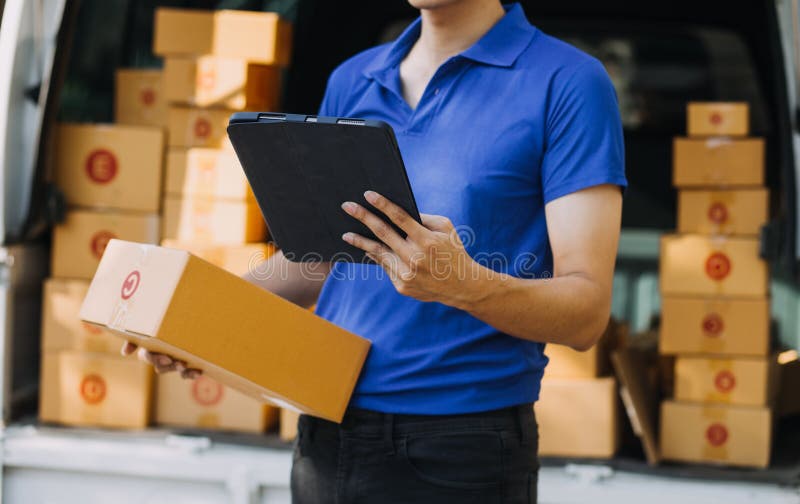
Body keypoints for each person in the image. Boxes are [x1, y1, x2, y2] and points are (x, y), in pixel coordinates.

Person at [124, 1, 626, 502]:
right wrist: (198, 321)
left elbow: (586, 315)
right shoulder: (353, 78)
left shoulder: (568, 83)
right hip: (326, 433)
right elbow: (320, 260)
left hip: (461, 451)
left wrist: (466, 284)